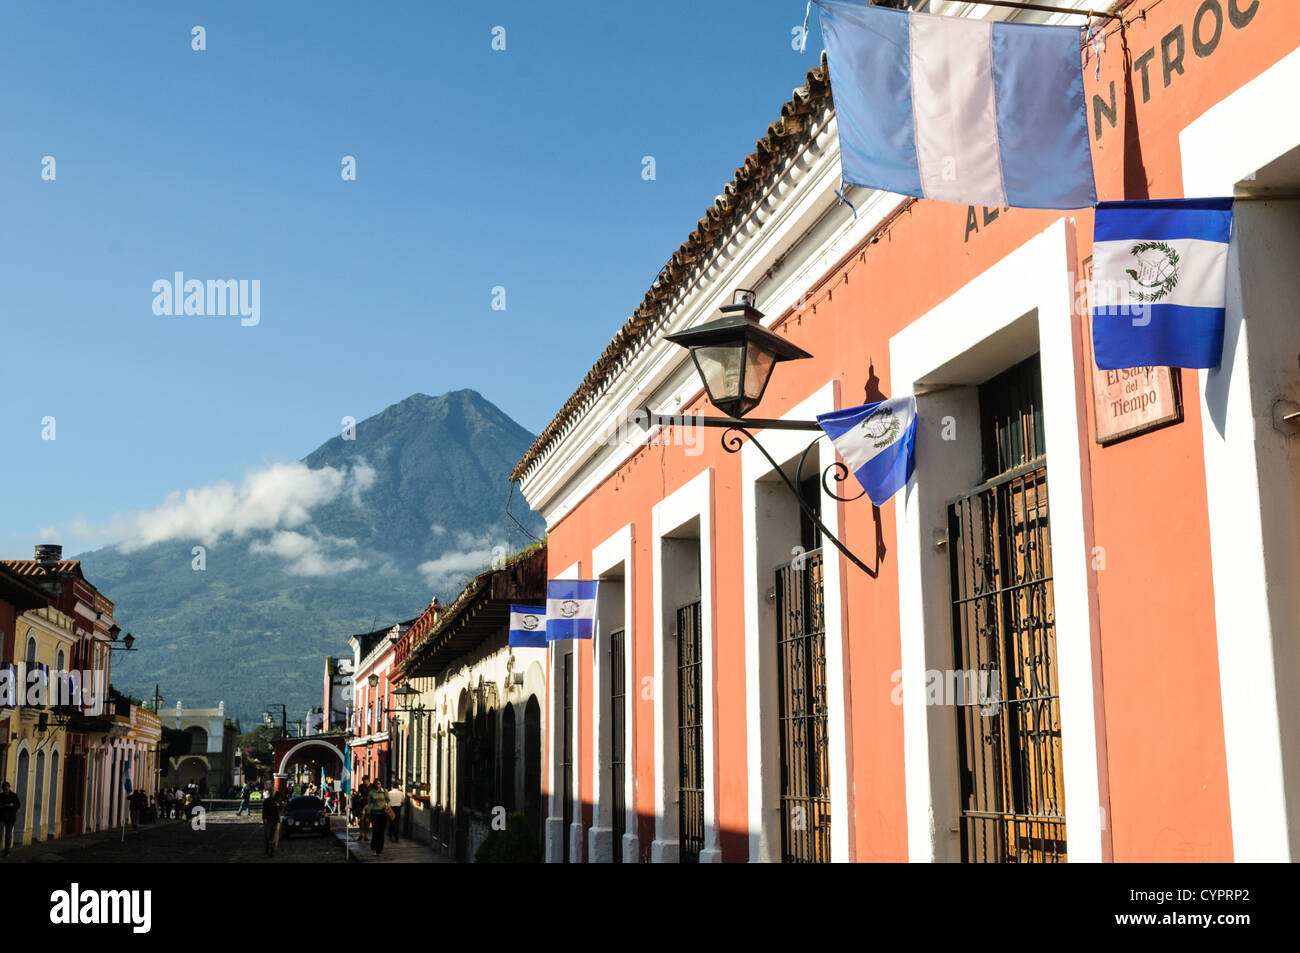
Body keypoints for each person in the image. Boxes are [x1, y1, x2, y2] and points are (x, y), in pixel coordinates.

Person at [366, 781, 392, 855]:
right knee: (375, 832)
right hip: (374, 814)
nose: (378, 785)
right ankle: (374, 848)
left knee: (381, 833)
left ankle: (379, 849)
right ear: (374, 784)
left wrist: (388, 806)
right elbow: (369, 804)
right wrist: (368, 814)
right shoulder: (371, 793)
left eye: (380, 783)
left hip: (383, 814)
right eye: (377, 784)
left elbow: (388, 800)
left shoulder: (385, 791)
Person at [0, 782, 19, 857]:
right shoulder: (0, 796)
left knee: (8, 835)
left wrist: (12, 805)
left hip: (10, 818)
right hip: (1, 817)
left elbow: (18, 805)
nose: (6, 789)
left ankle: (6, 851)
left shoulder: (14, 796)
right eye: (4, 788)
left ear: (9, 788)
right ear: (3, 788)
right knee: (0, 834)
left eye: (7, 788)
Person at [261, 787, 281, 857]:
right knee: (267, 836)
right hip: (269, 820)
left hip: (275, 820)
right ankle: (267, 850)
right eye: (273, 792)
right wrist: (265, 818)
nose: (274, 793)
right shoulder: (267, 801)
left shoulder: (277, 801)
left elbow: (280, 809)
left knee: (273, 837)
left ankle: (271, 851)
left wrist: (279, 805)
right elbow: (264, 811)